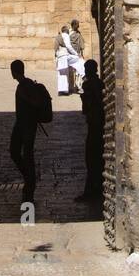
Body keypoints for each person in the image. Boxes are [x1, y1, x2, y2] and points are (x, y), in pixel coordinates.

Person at [9, 59, 38, 202]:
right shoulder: (26, 84)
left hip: (25, 125)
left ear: (14, 72)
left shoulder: (24, 86)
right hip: (25, 125)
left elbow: (31, 103)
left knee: (23, 154)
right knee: (22, 153)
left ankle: (30, 181)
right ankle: (29, 178)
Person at [76, 58, 104, 200]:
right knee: (97, 158)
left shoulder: (88, 85)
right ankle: (96, 189)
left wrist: (85, 99)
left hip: (94, 124)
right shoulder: (101, 83)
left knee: (91, 158)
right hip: (100, 124)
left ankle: (92, 191)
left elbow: (87, 107)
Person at [68, 19, 86, 91]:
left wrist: (82, 54)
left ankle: (78, 85)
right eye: (77, 24)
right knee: (71, 71)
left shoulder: (78, 33)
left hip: (77, 54)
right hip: (71, 55)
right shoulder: (68, 33)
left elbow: (81, 45)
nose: (78, 26)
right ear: (74, 25)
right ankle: (72, 86)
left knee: (79, 71)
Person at [54, 26, 71, 95]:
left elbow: (55, 48)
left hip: (59, 56)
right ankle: (65, 90)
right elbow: (68, 46)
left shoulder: (58, 37)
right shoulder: (66, 36)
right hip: (64, 55)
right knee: (65, 73)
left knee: (60, 73)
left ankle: (60, 90)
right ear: (66, 31)